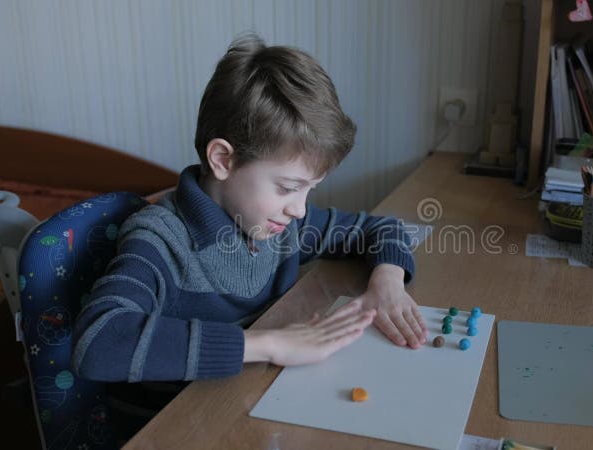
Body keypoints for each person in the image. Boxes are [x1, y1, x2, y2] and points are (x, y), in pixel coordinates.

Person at [72, 34, 426, 384]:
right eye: (288, 187)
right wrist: (269, 344)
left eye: (309, 190)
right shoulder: (161, 240)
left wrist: (388, 284)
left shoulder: (280, 225)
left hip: (256, 393)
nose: (300, 210)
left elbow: (382, 228)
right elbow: (99, 342)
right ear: (223, 159)